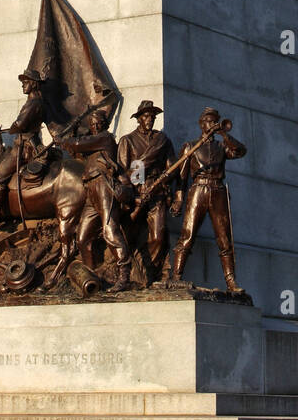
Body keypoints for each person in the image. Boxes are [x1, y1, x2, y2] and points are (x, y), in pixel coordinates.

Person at [171, 107, 246, 294]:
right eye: (209, 121)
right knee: (187, 235)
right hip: (198, 189)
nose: (212, 124)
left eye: (215, 121)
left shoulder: (222, 146)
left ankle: (231, 282)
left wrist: (224, 134)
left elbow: (240, 151)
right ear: (201, 123)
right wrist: (179, 199)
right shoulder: (190, 146)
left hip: (218, 190)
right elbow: (181, 176)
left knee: (224, 239)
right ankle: (176, 276)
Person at [63, 109, 132, 293]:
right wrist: (71, 134)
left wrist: (66, 140)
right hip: (89, 188)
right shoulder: (93, 145)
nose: (95, 125)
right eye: (92, 123)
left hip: (104, 185)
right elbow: (75, 150)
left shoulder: (105, 138)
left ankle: (124, 274)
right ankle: (91, 277)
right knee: (82, 237)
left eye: (98, 122)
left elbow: (77, 144)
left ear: (105, 124)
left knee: (110, 231)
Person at [117, 99, 176, 282]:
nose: (150, 119)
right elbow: (122, 172)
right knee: (126, 236)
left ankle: (147, 272)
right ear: (139, 119)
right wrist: (137, 192)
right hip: (135, 194)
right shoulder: (128, 140)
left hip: (157, 192)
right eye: (146, 116)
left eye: (152, 116)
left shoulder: (162, 140)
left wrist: (163, 181)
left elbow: (172, 167)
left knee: (158, 237)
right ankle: (127, 271)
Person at [0, 68, 46, 225]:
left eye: (26, 82)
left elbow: (19, 124)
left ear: (34, 84)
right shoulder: (37, 101)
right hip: (29, 143)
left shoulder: (33, 103)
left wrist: (12, 128)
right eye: (22, 82)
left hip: (24, 147)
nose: (23, 85)